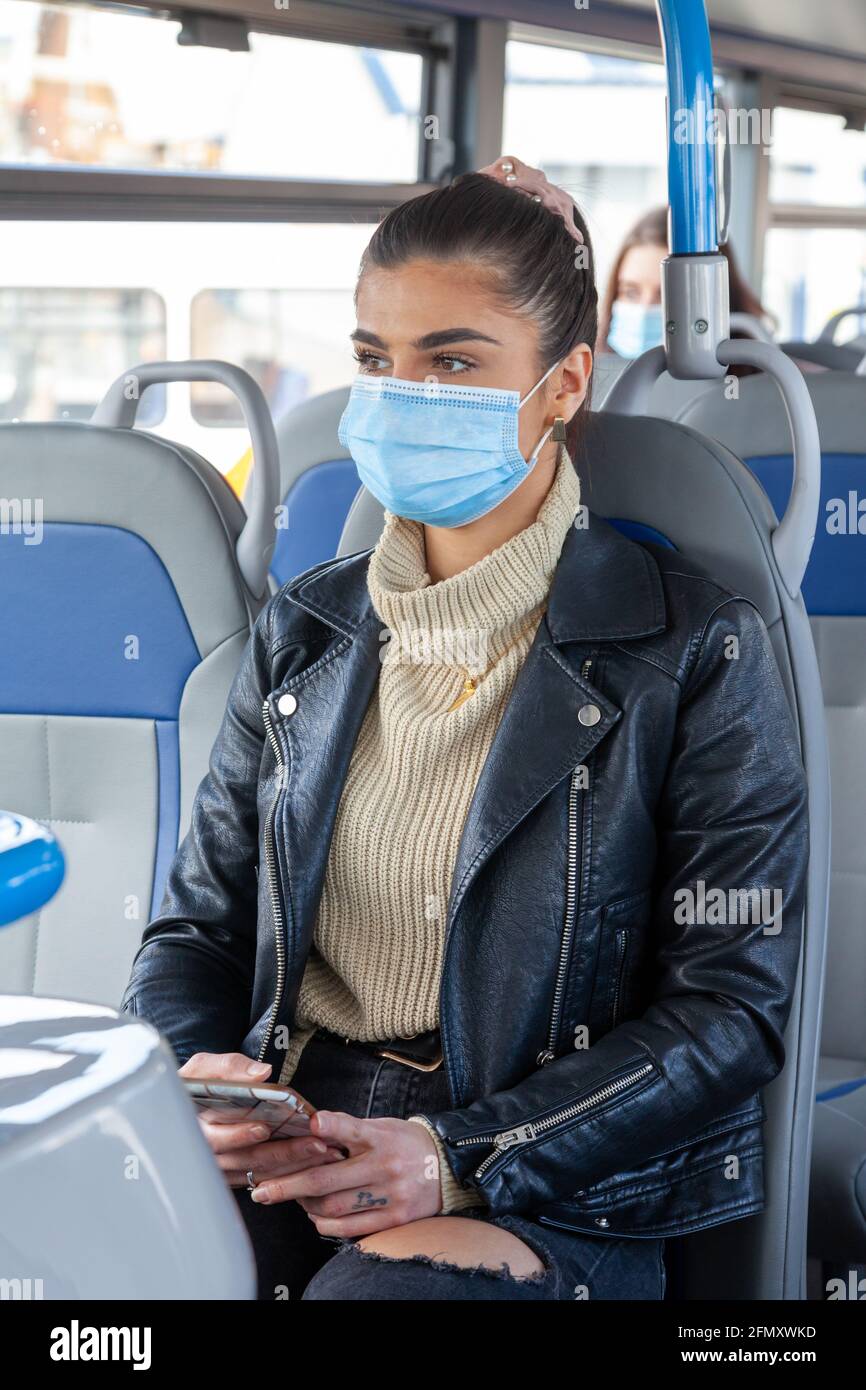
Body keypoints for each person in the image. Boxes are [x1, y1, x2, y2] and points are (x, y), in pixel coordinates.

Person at [121, 155, 808, 1302]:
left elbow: (727, 1013)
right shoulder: (304, 636)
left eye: (450, 360)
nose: (400, 394)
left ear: (563, 383)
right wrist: (201, 1076)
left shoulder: (691, 649)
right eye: (373, 359)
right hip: (291, 1141)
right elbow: (193, 934)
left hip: (545, 1177)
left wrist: (456, 1153)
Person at [598, 205, 773, 359]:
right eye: (631, 293)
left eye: (666, 295)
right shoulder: (590, 383)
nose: (645, 310)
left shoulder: (770, 385)